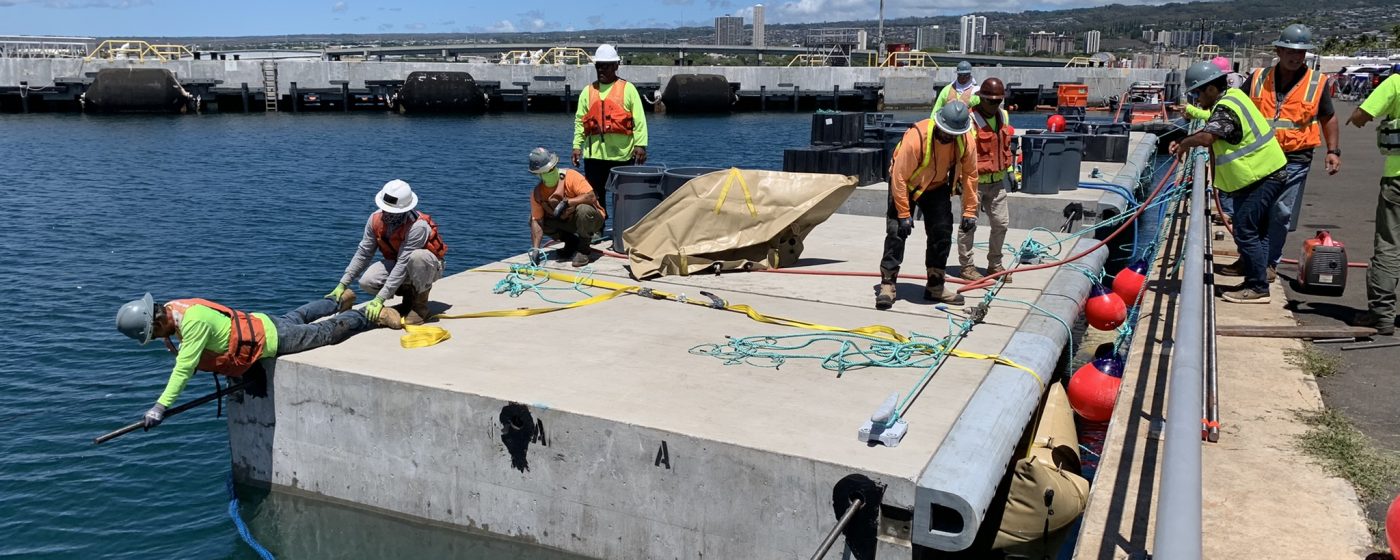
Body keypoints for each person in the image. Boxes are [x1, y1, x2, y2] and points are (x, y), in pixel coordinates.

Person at [114, 292, 387, 429]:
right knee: (297, 317)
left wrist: (159, 407)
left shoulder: (193, 324)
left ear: (158, 320)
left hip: (270, 340)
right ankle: (336, 300)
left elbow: (183, 368)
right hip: (260, 321)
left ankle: (369, 315)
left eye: (154, 334)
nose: (157, 338)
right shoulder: (176, 307)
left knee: (325, 333)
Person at [1224, 24, 1341, 284]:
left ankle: (1268, 264)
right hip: (1260, 157)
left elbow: (1328, 117)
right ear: (1278, 50)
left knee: (1280, 212)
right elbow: (1235, 110)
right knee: (1252, 213)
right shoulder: (1257, 78)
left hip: (1295, 158)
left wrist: (1333, 151)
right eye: (1289, 50)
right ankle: (1249, 260)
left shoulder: (1316, 82)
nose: (1295, 56)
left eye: (1300, 52)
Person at [1170, 61, 1289, 304]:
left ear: (1211, 89)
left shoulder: (1225, 108)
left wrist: (1184, 143)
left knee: (1245, 228)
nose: (1197, 99)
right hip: (1264, 172)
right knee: (1258, 228)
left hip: (1262, 175)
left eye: (1197, 93)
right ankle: (1252, 272)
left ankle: (1257, 286)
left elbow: (1207, 136)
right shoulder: (1235, 96)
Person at [877, 100, 980, 310]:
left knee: (941, 233)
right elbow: (899, 177)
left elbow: (970, 175)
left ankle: (935, 285)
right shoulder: (917, 137)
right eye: (945, 132)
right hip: (907, 185)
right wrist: (905, 214)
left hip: (936, 186)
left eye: (952, 134)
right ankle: (888, 284)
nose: (947, 137)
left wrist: (970, 211)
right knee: (897, 232)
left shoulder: (965, 140)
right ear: (939, 124)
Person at [331, 179, 448, 327]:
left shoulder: (417, 226)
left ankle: (420, 306)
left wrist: (380, 299)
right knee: (367, 281)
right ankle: (408, 297)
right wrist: (343, 283)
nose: (387, 214)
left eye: (393, 211)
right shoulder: (375, 219)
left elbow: (403, 263)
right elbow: (364, 253)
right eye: (385, 209)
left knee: (417, 257)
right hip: (399, 263)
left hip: (426, 266)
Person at [1347, 72, 1400, 336]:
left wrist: (1355, 116)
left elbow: (1362, 116)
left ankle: (1382, 315)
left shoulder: (1396, 83)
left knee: (1389, 246)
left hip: (1398, 179)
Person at [572, 44, 648, 221]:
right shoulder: (588, 92)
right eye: (598, 66)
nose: (601, 69)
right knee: (595, 196)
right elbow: (579, 122)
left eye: (606, 65)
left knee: (623, 197)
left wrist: (641, 145)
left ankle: (624, 230)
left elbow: (639, 120)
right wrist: (576, 146)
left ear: (616, 66)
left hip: (622, 156)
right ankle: (596, 230)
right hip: (594, 156)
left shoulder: (628, 89)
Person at [957, 78, 1014, 282]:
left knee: (1001, 223)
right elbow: (960, 152)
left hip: (997, 182)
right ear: (981, 99)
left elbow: (1005, 147)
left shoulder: (1003, 116)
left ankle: (995, 264)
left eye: (998, 101)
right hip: (975, 182)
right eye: (990, 101)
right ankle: (967, 266)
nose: (994, 105)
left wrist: (1010, 172)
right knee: (968, 224)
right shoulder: (970, 120)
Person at [527, 147, 605, 268]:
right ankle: (571, 242)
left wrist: (568, 202)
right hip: (566, 222)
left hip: (592, 219)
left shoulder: (571, 176)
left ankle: (583, 249)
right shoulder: (537, 194)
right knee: (533, 219)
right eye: (547, 170)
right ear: (539, 174)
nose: (551, 171)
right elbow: (537, 221)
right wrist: (536, 249)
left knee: (584, 209)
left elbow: (591, 197)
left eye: (552, 168)